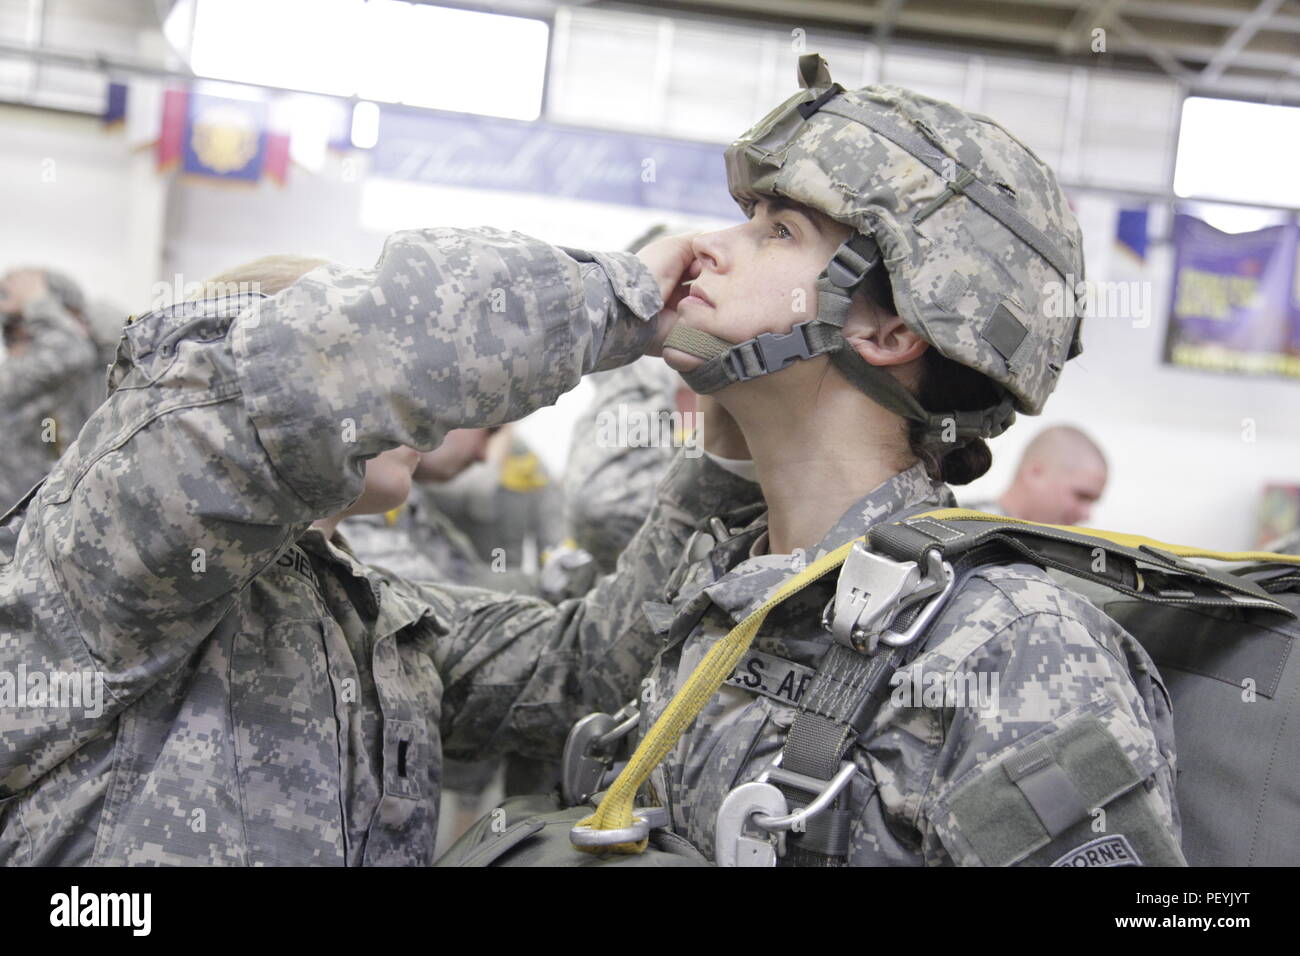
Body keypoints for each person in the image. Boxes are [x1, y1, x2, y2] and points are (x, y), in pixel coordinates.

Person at [570, 56, 1184, 866]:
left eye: (777, 230)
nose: (705, 247)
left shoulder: (1010, 648)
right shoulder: (726, 582)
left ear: (893, 331)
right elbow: (543, 687)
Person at [0, 234, 762, 865]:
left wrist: (725, 458)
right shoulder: (112, 543)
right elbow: (306, 380)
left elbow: (585, 666)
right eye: (373, 379)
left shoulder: (371, 614)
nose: (419, 415)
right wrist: (620, 297)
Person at [0, 268, 101, 510]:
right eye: (70, 321)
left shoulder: (64, 388)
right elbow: (71, 352)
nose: (82, 330)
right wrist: (37, 300)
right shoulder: (15, 381)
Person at [963, 424, 1108, 525]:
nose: (1086, 515)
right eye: (1081, 496)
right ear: (1035, 474)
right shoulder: (963, 530)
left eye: (1092, 502)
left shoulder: (1049, 554)